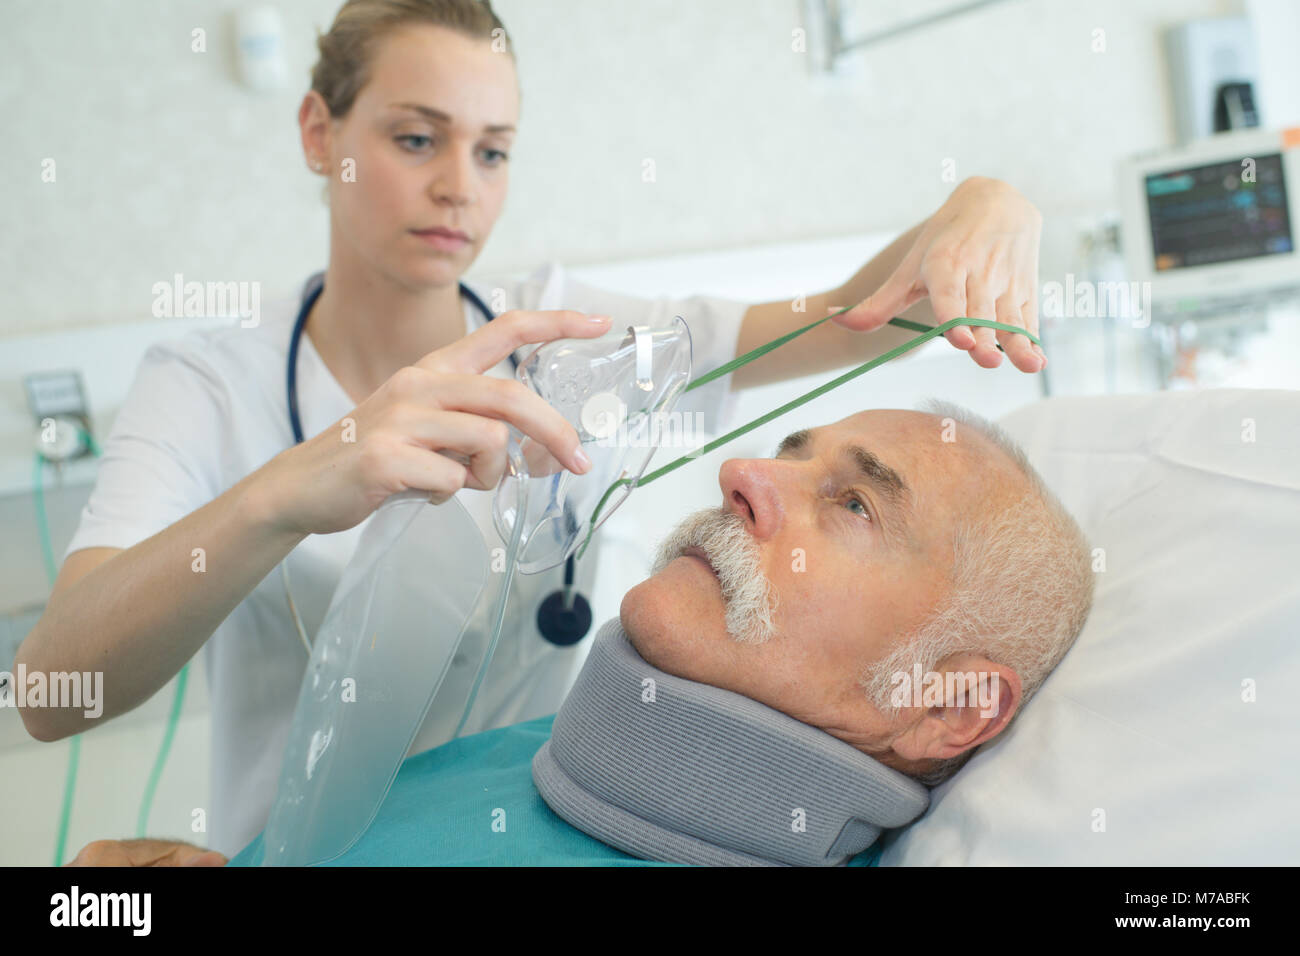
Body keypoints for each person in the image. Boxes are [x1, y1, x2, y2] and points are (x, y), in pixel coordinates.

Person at [25, 0, 1048, 862]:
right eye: (415, 137)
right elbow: (50, 689)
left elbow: (859, 314)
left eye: (494, 150)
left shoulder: (569, 334)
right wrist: (291, 489)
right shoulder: (208, 385)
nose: (458, 186)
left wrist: (987, 202)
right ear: (318, 133)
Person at [68, 400, 1092, 866]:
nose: (746, 474)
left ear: (947, 702)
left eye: (856, 503)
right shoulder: (538, 760)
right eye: (789, 453)